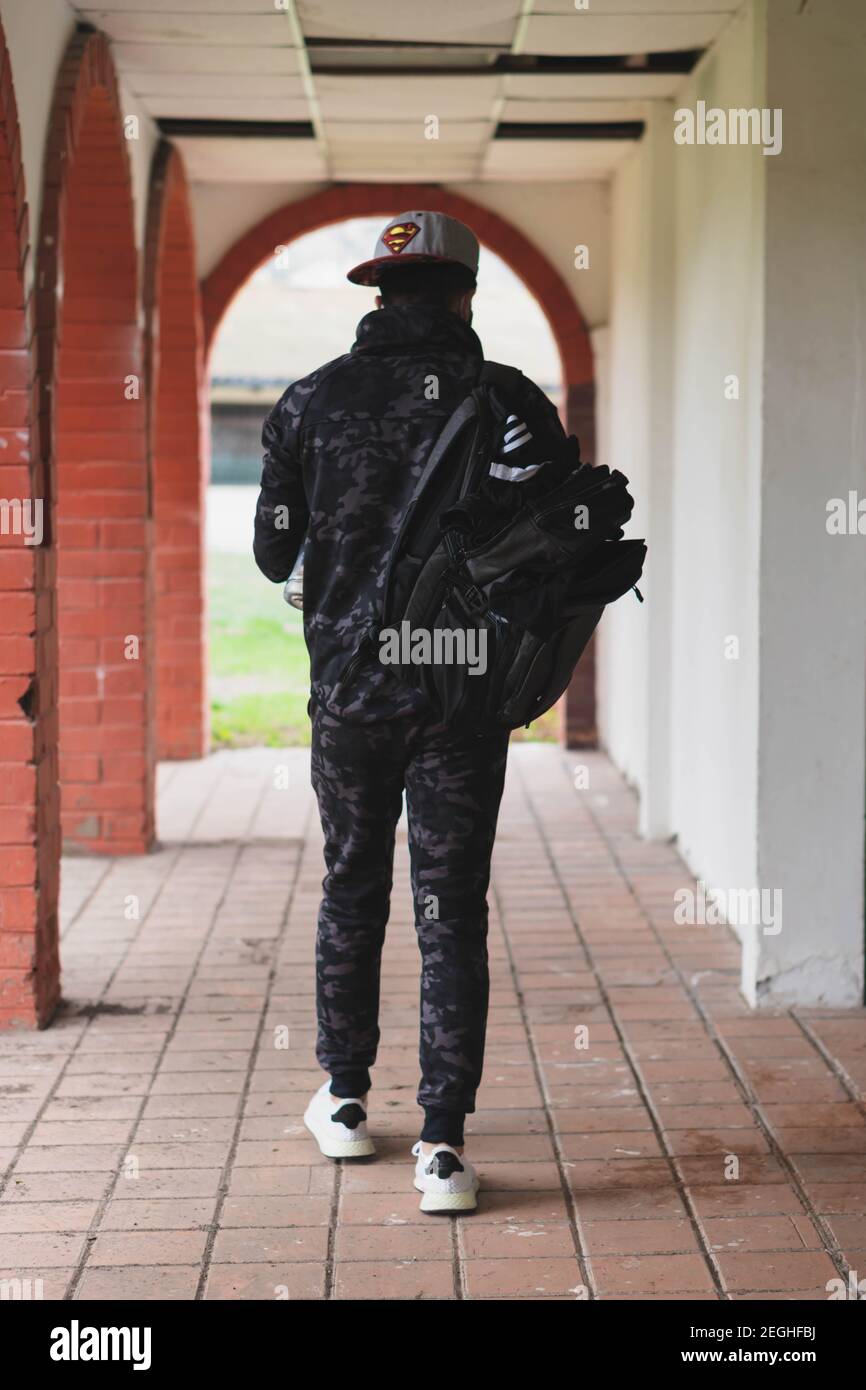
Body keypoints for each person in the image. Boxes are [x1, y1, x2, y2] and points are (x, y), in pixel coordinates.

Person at [253, 211, 569, 1213]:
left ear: (376, 295)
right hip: (459, 688)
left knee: (352, 886)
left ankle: (344, 1099)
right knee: (450, 909)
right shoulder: (507, 400)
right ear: (463, 295)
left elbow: (271, 550)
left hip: (351, 689)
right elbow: (557, 536)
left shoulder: (308, 401)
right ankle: (442, 1147)